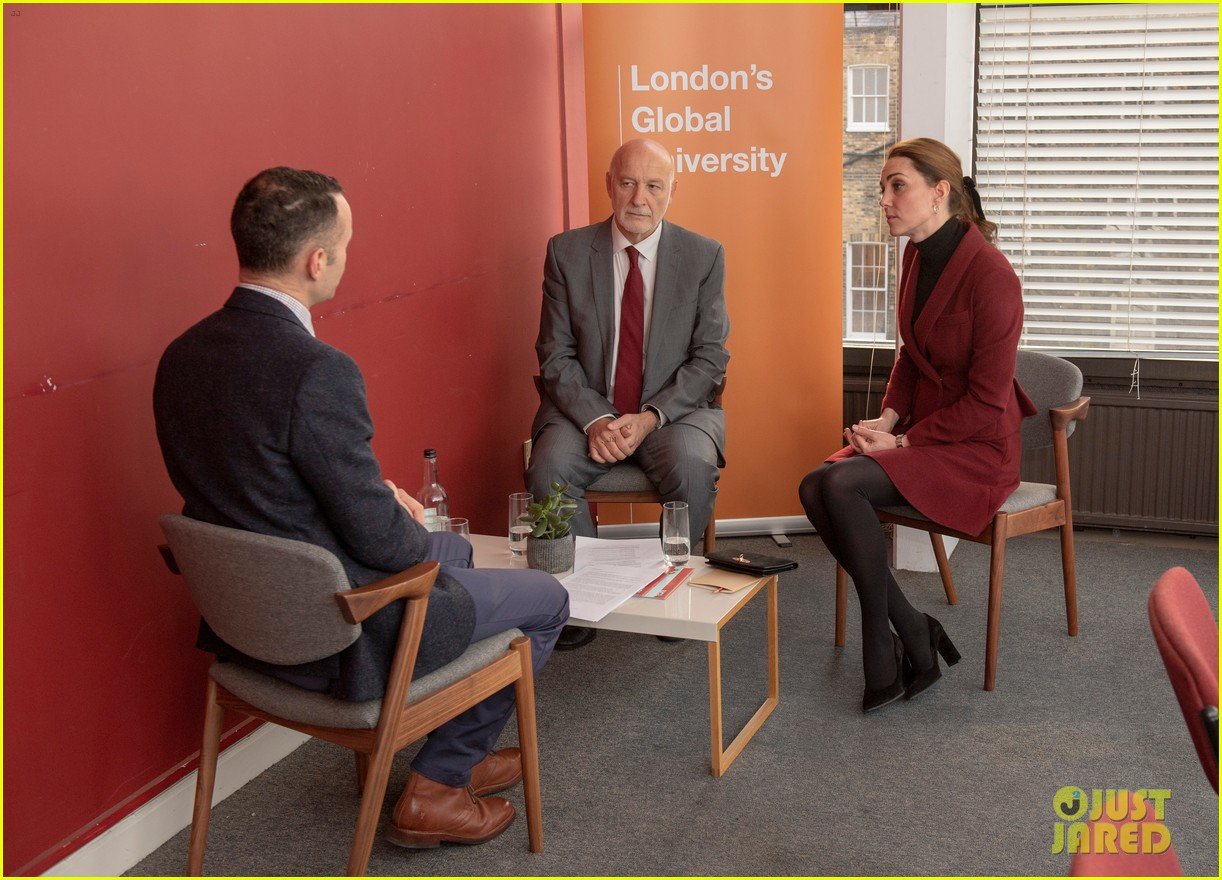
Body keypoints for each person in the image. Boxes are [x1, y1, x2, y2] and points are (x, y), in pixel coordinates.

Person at [154, 167, 569, 848]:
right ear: (317, 260)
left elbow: (259, 484)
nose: (348, 257)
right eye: (346, 245)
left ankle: (455, 749)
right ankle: (435, 789)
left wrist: (374, 495)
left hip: (247, 619)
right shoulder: (317, 370)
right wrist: (394, 515)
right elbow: (391, 548)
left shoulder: (182, 357)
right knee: (547, 599)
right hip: (340, 628)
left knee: (459, 550)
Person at [798, 138, 1036, 713]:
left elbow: (986, 404)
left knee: (841, 484)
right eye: (882, 187)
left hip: (976, 449)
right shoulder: (915, 256)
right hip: (923, 436)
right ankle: (910, 625)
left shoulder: (993, 276)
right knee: (814, 485)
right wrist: (884, 419)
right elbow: (911, 355)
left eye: (896, 185)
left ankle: (884, 639)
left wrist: (901, 440)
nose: (883, 199)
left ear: (939, 192)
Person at [526, 138, 729, 649]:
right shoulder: (567, 252)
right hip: (585, 411)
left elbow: (710, 358)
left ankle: (668, 587)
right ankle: (580, 599)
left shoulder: (703, 256)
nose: (640, 198)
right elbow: (555, 353)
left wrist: (650, 417)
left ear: (672, 192)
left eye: (654, 186)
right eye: (628, 183)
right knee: (549, 467)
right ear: (609, 186)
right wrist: (596, 419)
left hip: (672, 413)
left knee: (692, 466)